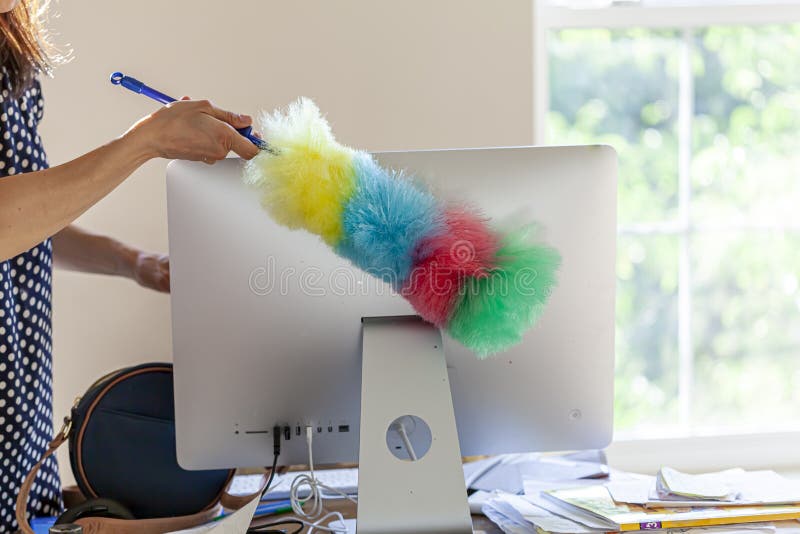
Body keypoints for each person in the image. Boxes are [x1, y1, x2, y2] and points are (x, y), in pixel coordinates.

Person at [0, 0, 260, 530]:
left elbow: (28, 219)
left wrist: (136, 263)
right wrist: (144, 142)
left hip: (19, 412)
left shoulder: (10, 55)